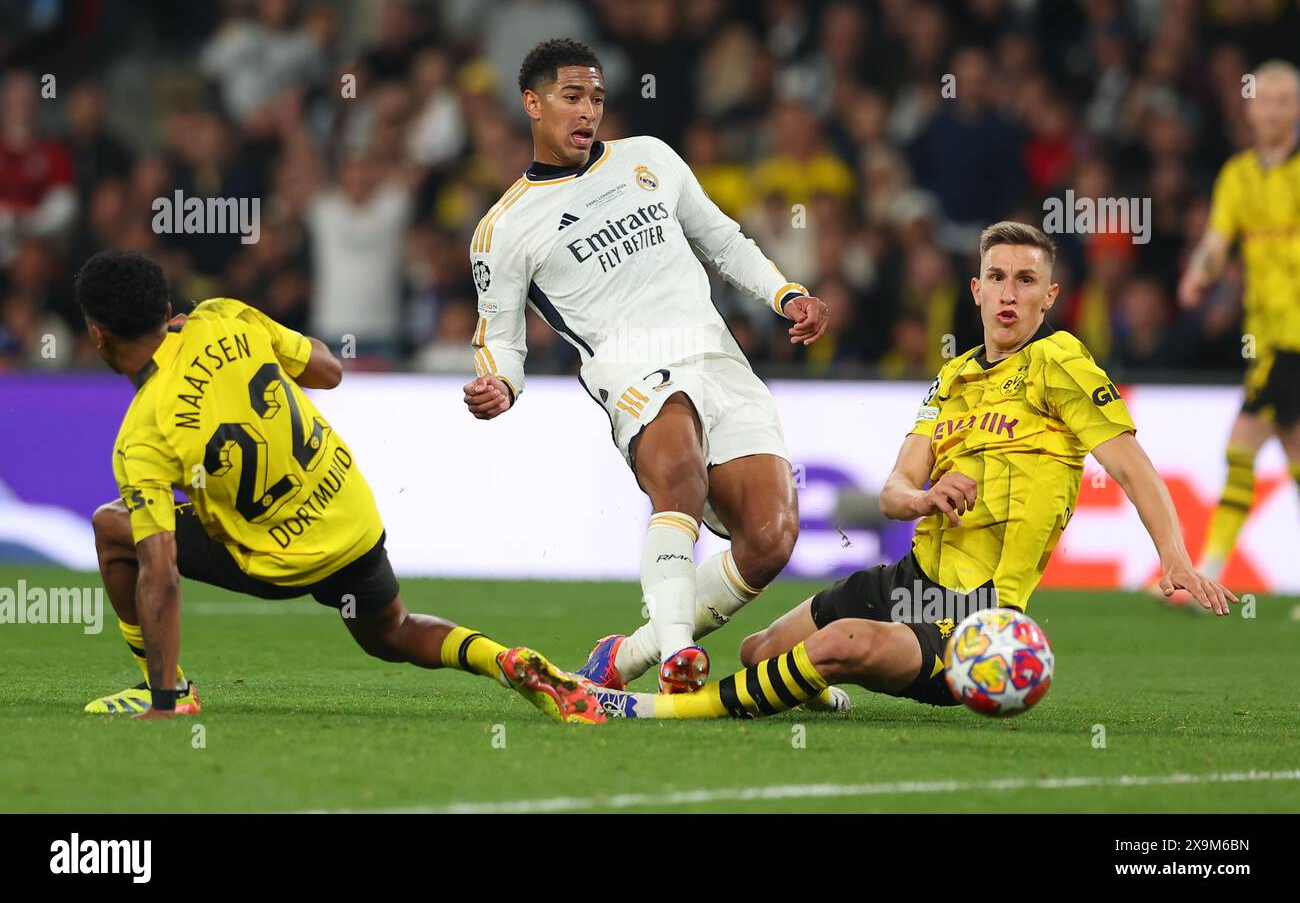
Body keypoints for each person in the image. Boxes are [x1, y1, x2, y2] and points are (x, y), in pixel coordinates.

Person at [589, 222, 1236, 720]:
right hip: (908, 579)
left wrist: (1174, 556)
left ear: (1050, 296)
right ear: (977, 290)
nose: (1010, 293)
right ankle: (816, 693)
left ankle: (672, 705)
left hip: (976, 616)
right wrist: (923, 496)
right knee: (761, 651)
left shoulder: (1060, 362)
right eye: (998, 277)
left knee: (842, 643)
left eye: (1027, 280)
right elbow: (895, 489)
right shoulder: (952, 378)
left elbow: (1132, 466)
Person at [76, 249, 602, 724]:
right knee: (392, 631)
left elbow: (161, 572)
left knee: (112, 526)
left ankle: (164, 687)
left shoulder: (141, 438)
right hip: (348, 513)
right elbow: (328, 372)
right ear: (168, 307)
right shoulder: (223, 316)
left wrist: (166, 706)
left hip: (277, 559)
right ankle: (502, 658)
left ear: (98, 334)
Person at [462, 38, 831, 694]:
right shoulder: (505, 226)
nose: (587, 111)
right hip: (631, 367)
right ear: (532, 103)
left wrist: (787, 295)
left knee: (771, 538)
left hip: (717, 355)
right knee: (680, 469)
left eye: (597, 98)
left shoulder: (649, 159)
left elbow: (722, 240)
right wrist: (501, 383)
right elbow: (500, 335)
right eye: (572, 97)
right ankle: (679, 653)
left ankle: (624, 657)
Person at [1178, 59, 1300, 591]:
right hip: (1265, 334)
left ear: (1296, 109)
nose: (1271, 110)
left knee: (1241, 443)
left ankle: (1207, 571)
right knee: (1294, 451)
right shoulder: (1238, 175)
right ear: (1249, 109)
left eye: (1283, 100)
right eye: (1263, 100)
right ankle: (1207, 571)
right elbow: (1216, 243)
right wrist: (1197, 276)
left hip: (1293, 338)